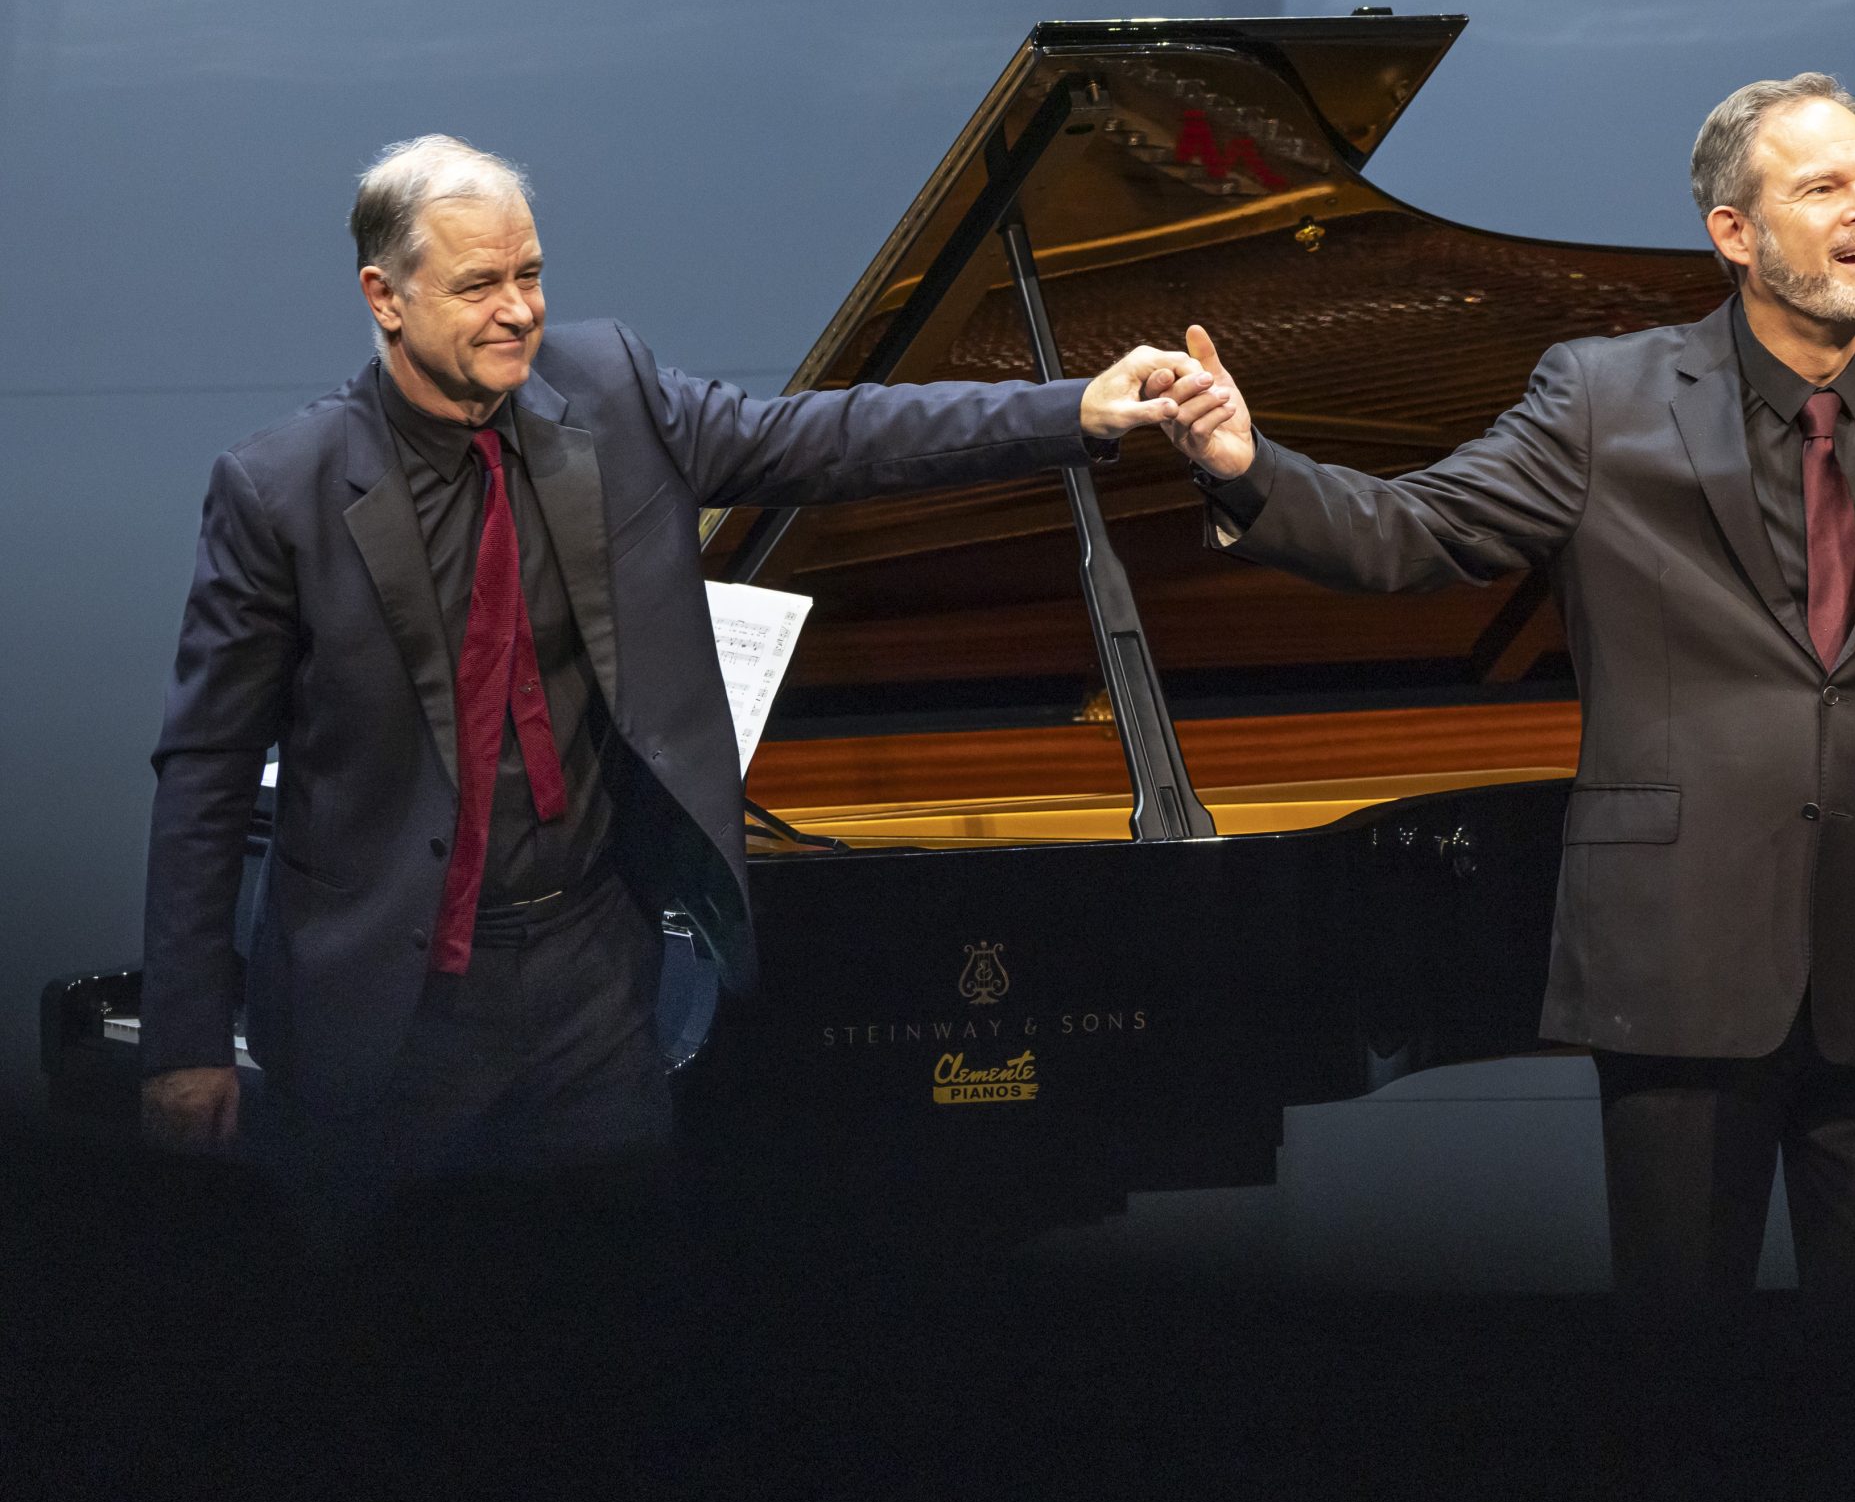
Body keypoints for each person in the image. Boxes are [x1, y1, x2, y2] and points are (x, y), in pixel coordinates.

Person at [1154, 74, 1855, 1351]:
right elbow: (1410, 530)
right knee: (1678, 1368)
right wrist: (1248, 469)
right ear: (1735, 234)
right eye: (1822, 189)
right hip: (1678, 955)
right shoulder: (1604, 399)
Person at [138, 134, 1214, 1221]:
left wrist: (1072, 412)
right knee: (389, 1354)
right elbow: (205, 774)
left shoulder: (609, 387)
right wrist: (185, 1041)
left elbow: (828, 440)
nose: (518, 310)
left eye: (530, 275)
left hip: (590, 986)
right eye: (478, 286)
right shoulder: (281, 490)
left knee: (612, 1332)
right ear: (385, 296)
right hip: (385, 1006)